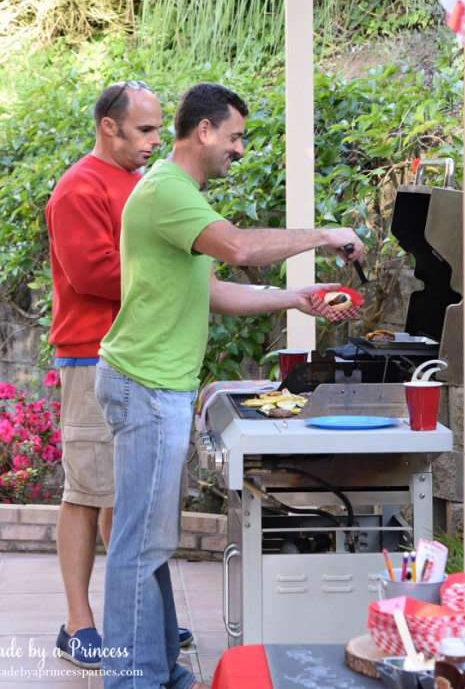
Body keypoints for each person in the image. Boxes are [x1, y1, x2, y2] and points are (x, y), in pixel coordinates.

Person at [95, 82, 364, 688]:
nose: (240, 149)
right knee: (140, 549)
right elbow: (241, 247)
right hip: (145, 386)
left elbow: (210, 291)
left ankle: (159, 671)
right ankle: (129, 681)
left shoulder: (176, 194)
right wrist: (324, 236)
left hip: (155, 386)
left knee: (150, 544)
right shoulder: (169, 191)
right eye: (235, 136)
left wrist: (297, 297)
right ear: (205, 131)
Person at [45, 80, 192, 670]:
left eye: (159, 129)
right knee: (86, 491)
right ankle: (78, 624)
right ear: (110, 126)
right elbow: (91, 274)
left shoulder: (137, 183)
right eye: (146, 131)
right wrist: (177, 275)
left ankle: (140, 622)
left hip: (131, 355)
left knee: (125, 496)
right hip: (90, 354)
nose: (157, 142)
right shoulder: (79, 186)